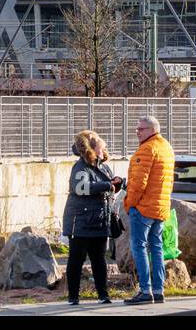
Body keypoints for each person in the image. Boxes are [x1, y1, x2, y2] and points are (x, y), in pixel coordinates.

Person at [62, 130, 123, 306]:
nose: (104, 151)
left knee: (99, 259)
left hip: (99, 221)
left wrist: (116, 184)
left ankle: (103, 295)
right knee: (76, 259)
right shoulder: (80, 167)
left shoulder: (102, 166)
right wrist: (107, 184)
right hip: (80, 222)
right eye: (101, 148)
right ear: (92, 148)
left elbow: (108, 188)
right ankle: (73, 297)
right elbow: (80, 188)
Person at [123, 114, 176, 306]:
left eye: (141, 129)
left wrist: (129, 203)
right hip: (160, 208)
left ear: (153, 130)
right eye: (137, 128)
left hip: (143, 208)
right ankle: (158, 290)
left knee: (139, 248)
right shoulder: (167, 148)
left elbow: (138, 183)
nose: (137, 132)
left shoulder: (146, 150)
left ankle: (145, 291)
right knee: (157, 248)